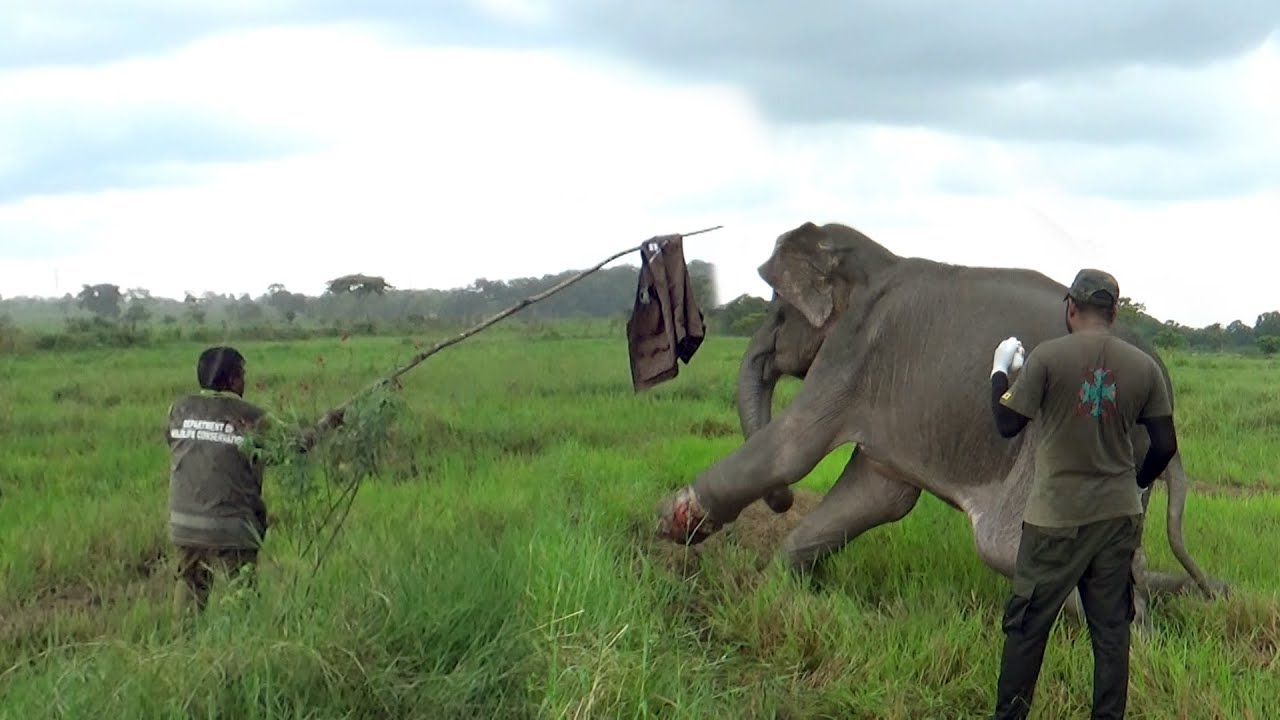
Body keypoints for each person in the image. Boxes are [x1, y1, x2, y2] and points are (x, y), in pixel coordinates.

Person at [986, 269, 1179, 720]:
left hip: (1054, 519)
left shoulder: (1048, 359)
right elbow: (1165, 446)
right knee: (1112, 632)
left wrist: (999, 370)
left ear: (1071, 308)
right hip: (1117, 520)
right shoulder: (1143, 367)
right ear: (1113, 312)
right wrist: (1137, 482)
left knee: (1028, 628)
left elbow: (1006, 424)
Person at [166, 345, 344, 614]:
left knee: (190, 584)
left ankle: (181, 647)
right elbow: (296, 445)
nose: (244, 381)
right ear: (231, 379)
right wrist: (326, 423)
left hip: (183, 524)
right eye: (242, 375)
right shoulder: (251, 417)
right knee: (242, 596)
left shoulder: (178, 409)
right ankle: (243, 647)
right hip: (231, 526)